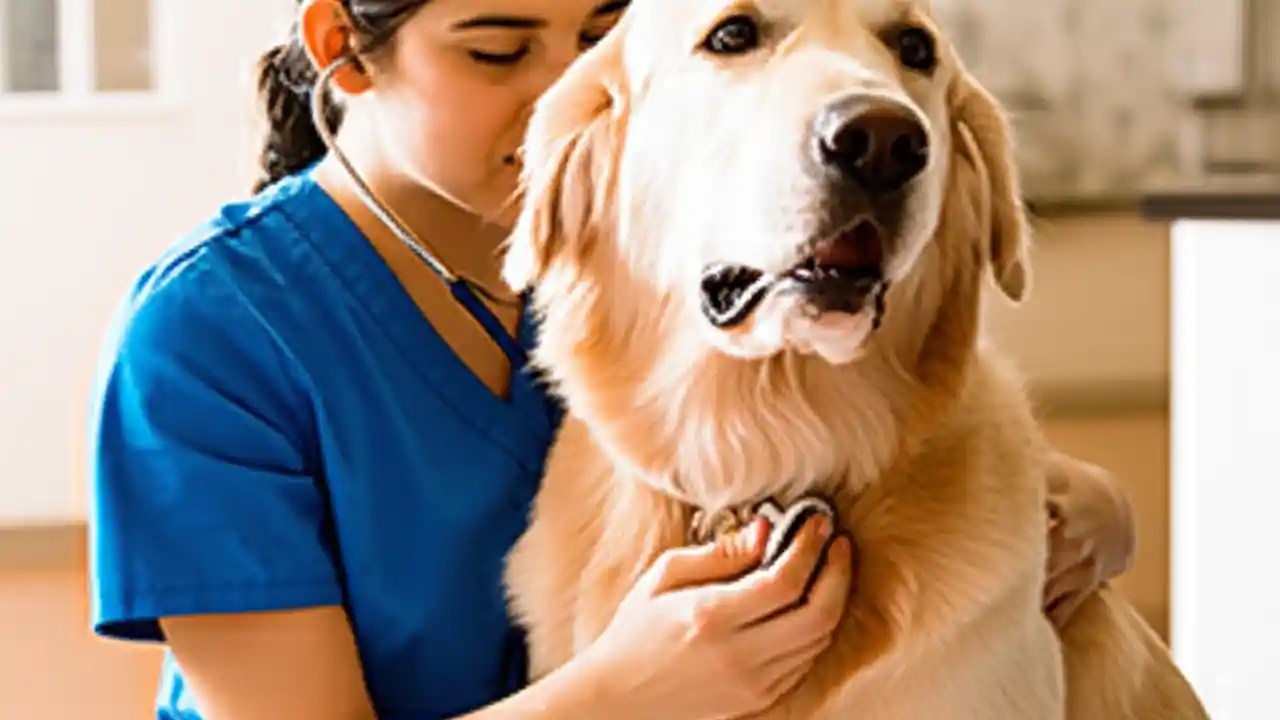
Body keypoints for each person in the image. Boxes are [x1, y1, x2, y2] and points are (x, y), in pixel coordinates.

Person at [85, 1, 1138, 718]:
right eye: (496, 49)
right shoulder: (207, 341)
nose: (570, 83)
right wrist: (629, 693)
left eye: (602, 32)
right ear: (343, 49)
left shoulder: (640, 279)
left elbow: (797, 439)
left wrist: (1077, 499)